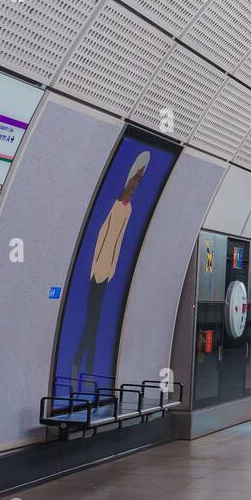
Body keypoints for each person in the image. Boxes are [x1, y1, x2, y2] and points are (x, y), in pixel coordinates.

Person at [72, 150, 149, 384]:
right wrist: (95, 265)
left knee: (93, 320)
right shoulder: (115, 206)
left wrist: (113, 267)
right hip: (97, 270)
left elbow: (119, 240)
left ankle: (84, 367)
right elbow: (102, 235)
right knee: (92, 319)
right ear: (127, 184)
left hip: (108, 272)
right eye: (132, 187)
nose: (132, 193)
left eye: (136, 189)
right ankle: (83, 367)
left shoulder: (128, 210)